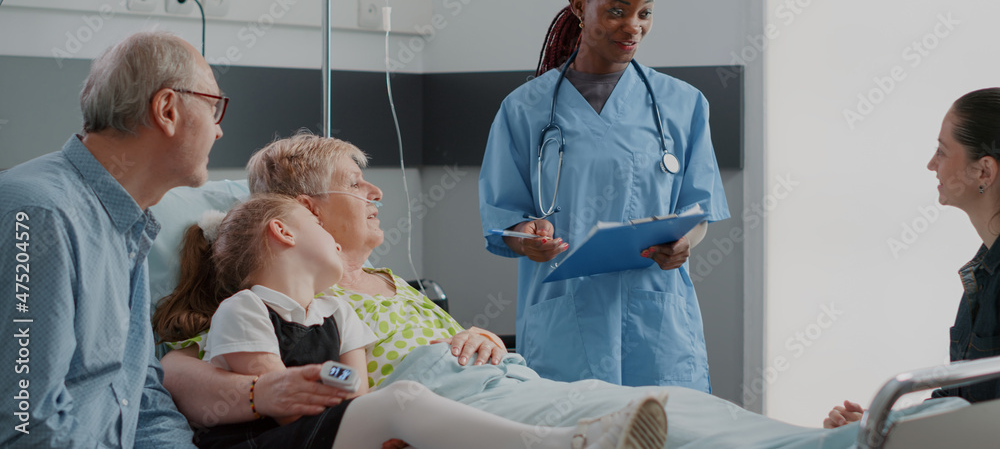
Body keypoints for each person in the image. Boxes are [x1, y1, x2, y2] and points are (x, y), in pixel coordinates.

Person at [165, 193, 669, 449]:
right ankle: (564, 444)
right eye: (317, 223)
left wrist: (358, 405)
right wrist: (357, 402)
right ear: (283, 232)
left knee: (398, 402)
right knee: (405, 398)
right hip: (275, 440)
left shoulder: (338, 310)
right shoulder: (246, 309)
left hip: (330, 426)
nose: (333, 236)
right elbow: (284, 400)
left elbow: (355, 391)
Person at [478, 0, 730, 389]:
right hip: (565, 316)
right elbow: (505, 219)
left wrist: (684, 242)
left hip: (657, 321)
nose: (633, 26)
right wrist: (526, 240)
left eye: (645, 12)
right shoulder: (525, 110)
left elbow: (698, 210)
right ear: (579, 5)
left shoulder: (684, 105)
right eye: (617, 10)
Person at [0, 31, 224, 447]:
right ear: (167, 109)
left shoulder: (128, 222)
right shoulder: (41, 217)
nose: (218, 130)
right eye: (213, 108)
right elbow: (25, 424)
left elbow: (139, 392)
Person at [824, 88, 1000, 428]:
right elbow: (959, 401)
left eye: (942, 151)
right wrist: (882, 426)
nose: (931, 164)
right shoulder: (982, 274)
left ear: (984, 172)